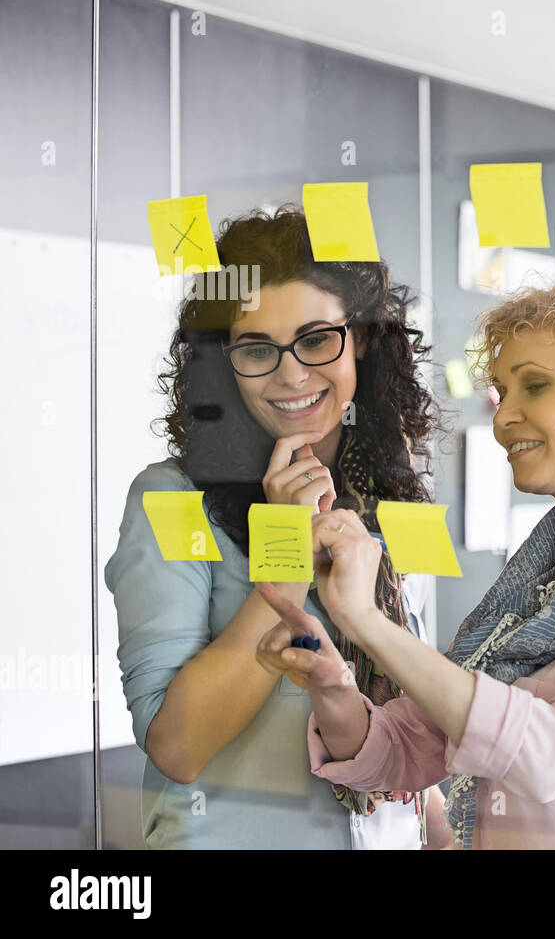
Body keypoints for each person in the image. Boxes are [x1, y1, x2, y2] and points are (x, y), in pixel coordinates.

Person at [255, 282, 555, 848]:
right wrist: (334, 686)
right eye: (502, 391)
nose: (502, 417)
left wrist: (368, 622)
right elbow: (405, 753)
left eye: (534, 385)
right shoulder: (543, 588)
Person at [106, 206, 451, 848]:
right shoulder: (171, 497)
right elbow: (178, 747)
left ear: (364, 341)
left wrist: (443, 834)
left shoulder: (397, 499)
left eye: (316, 339)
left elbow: (405, 704)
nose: (291, 375)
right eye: (258, 350)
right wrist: (285, 557)